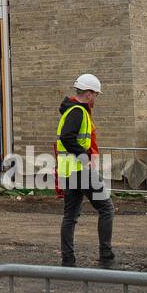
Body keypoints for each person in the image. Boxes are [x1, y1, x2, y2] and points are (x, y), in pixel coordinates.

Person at [57, 73, 114, 267]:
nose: (96, 98)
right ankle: (106, 255)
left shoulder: (69, 110)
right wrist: (85, 157)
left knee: (70, 216)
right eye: (96, 94)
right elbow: (67, 137)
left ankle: (68, 259)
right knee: (106, 209)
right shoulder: (78, 111)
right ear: (89, 93)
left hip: (69, 171)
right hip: (80, 171)